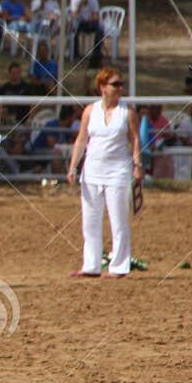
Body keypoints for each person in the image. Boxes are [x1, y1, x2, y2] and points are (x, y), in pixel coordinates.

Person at [67, 67, 141, 277]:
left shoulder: (128, 112)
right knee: (90, 221)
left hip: (118, 170)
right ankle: (91, 265)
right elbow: (82, 139)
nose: (120, 88)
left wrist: (138, 165)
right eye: (115, 84)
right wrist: (73, 166)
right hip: (92, 170)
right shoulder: (90, 111)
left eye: (121, 84)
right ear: (102, 87)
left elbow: (135, 139)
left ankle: (119, 265)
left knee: (119, 220)